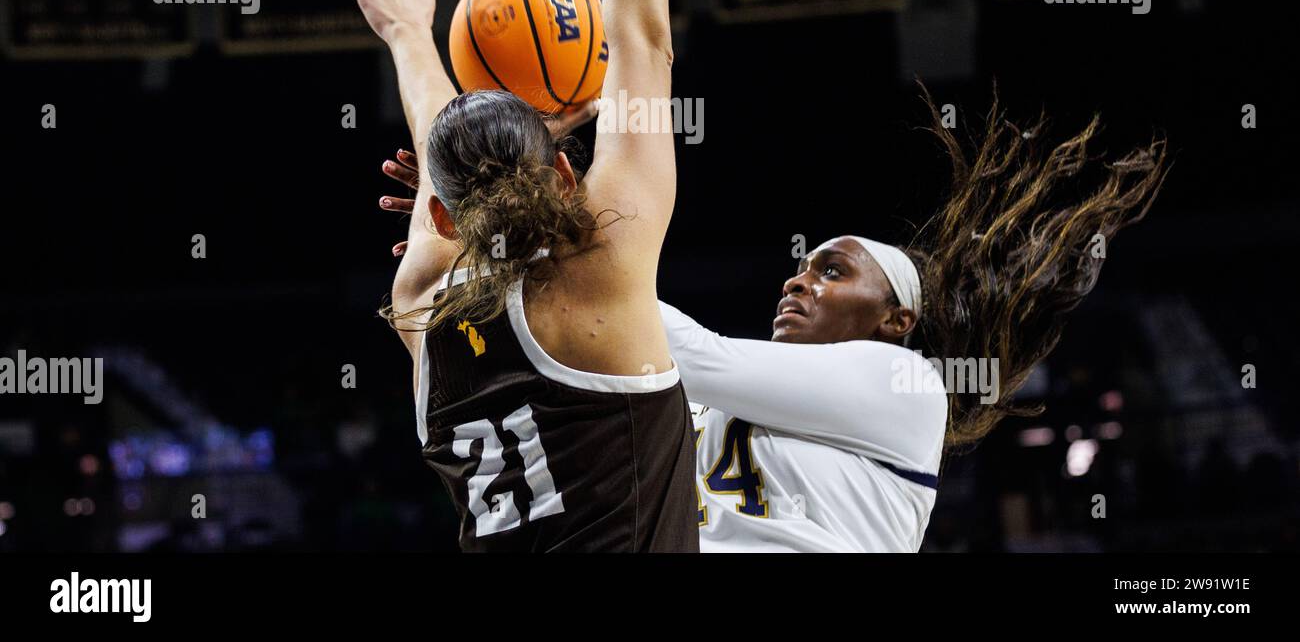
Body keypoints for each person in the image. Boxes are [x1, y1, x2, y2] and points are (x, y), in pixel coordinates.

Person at [378, 91, 1167, 550]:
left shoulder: (906, 384)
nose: (801, 279)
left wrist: (510, 228)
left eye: (833, 270)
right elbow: (577, 351)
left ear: (897, 319)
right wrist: (492, 208)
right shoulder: (701, 406)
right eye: (802, 264)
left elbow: (614, 323)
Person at [343, 0, 696, 551]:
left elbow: (449, 154)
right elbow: (640, 40)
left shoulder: (424, 313)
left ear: (435, 219)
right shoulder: (602, 267)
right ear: (566, 177)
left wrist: (406, 37)